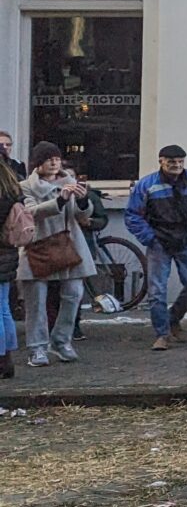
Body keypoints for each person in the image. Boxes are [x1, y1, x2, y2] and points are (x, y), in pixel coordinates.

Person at [16, 143, 98, 367]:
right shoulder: (25, 186)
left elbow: (82, 215)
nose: (54, 163)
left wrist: (82, 200)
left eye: (57, 159)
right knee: (36, 301)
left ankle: (62, 341)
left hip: (68, 245)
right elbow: (30, 212)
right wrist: (59, 200)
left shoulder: (70, 182)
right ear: (37, 163)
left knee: (74, 294)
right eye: (48, 159)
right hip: (38, 247)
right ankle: (37, 347)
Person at [126, 145, 187, 351]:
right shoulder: (147, 184)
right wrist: (150, 238)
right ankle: (162, 334)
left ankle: (173, 318)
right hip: (159, 242)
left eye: (180, 162)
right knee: (157, 290)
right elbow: (132, 215)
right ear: (161, 162)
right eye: (172, 162)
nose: (177, 166)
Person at [0, 156, 19, 379]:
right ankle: (7, 358)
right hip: (9, 253)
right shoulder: (11, 187)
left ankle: (2, 358)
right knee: (4, 308)